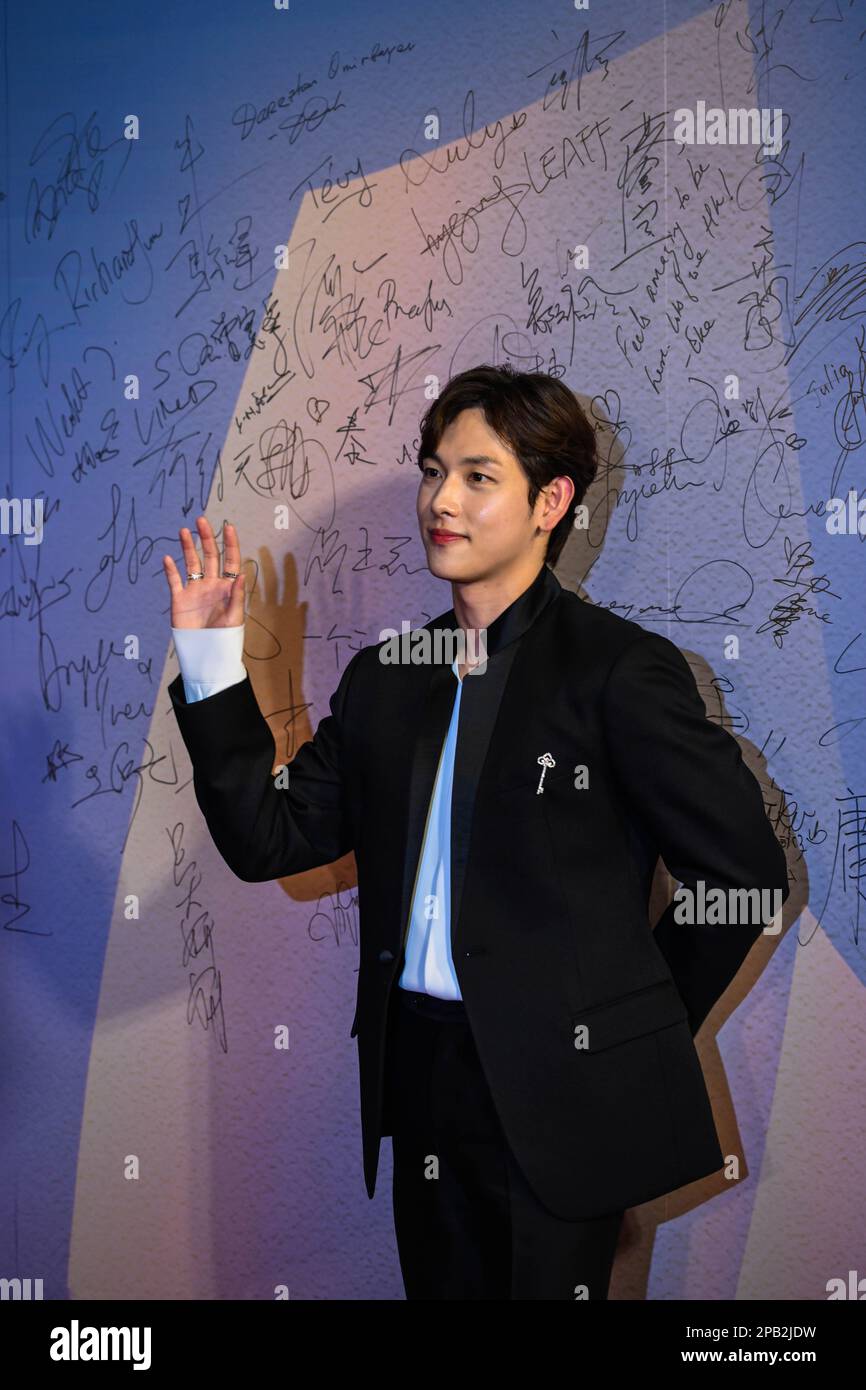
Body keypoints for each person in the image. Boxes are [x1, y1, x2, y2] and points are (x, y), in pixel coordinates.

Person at [163, 364, 789, 1300]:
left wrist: (619, 1041)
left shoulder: (621, 671)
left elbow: (741, 880)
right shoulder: (387, 677)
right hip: (419, 1079)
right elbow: (269, 842)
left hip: (556, 1093)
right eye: (430, 470)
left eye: (477, 475)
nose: (440, 500)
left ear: (552, 500)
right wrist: (211, 660)